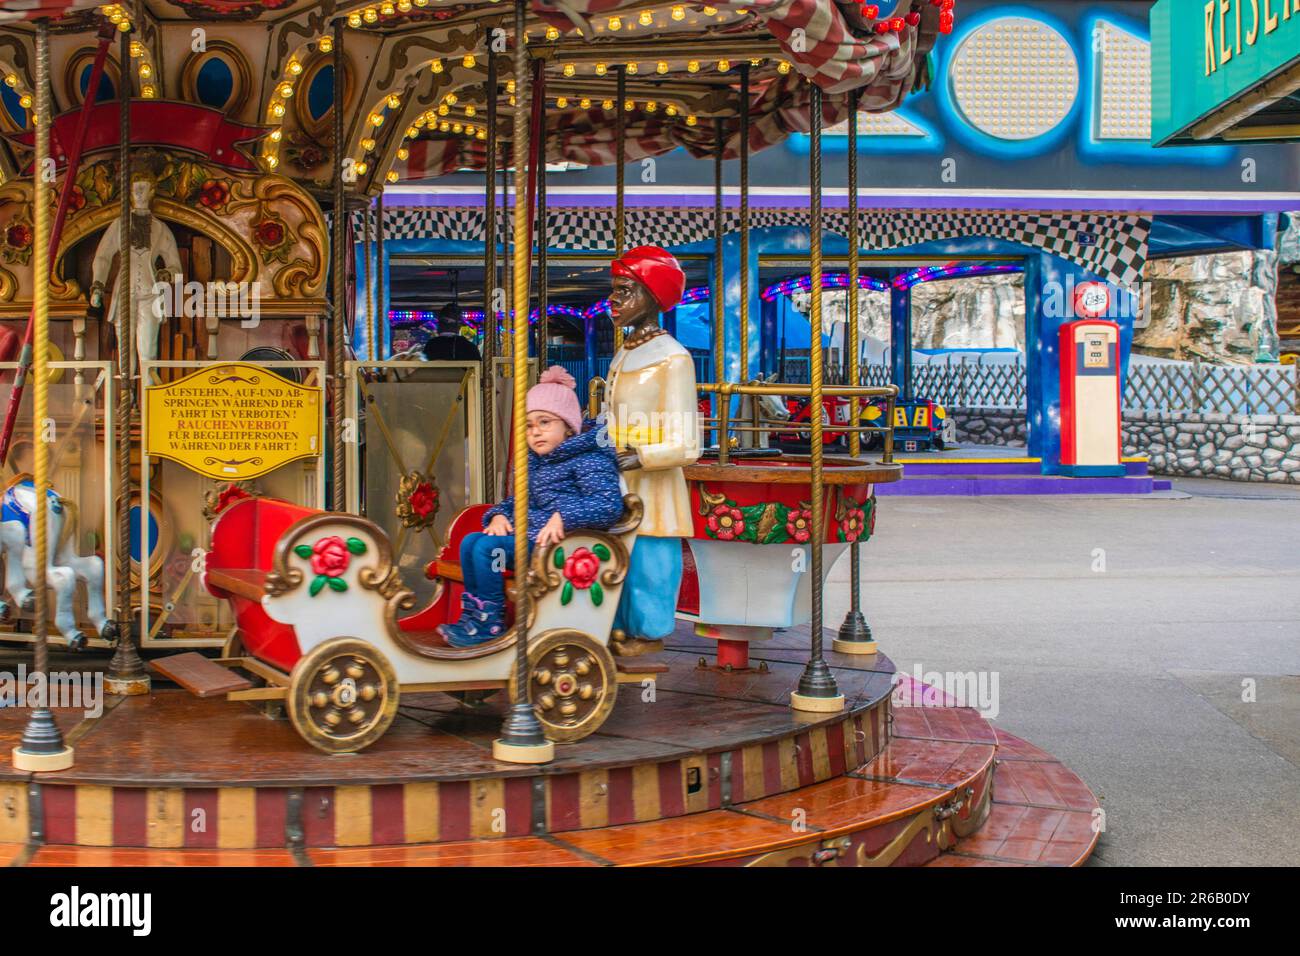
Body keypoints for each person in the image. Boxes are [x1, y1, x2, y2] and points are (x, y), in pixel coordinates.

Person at [437, 365, 624, 647]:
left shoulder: (589, 459)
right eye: (528, 425)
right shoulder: (538, 462)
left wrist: (564, 517)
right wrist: (499, 515)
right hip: (531, 540)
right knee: (470, 542)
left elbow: (608, 504)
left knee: (489, 550)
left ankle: (491, 622)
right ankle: (474, 616)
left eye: (545, 422)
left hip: (558, 547)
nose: (535, 432)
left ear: (569, 427)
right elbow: (520, 502)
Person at [603, 246, 701, 657]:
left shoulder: (672, 359)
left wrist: (639, 455)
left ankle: (649, 631)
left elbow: (688, 443)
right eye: (614, 290)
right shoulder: (626, 351)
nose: (614, 300)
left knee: (649, 560)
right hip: (618, 478)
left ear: (651, 296)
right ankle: (618, 625)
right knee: (618, 559)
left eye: (625, 291)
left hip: (653, 484)